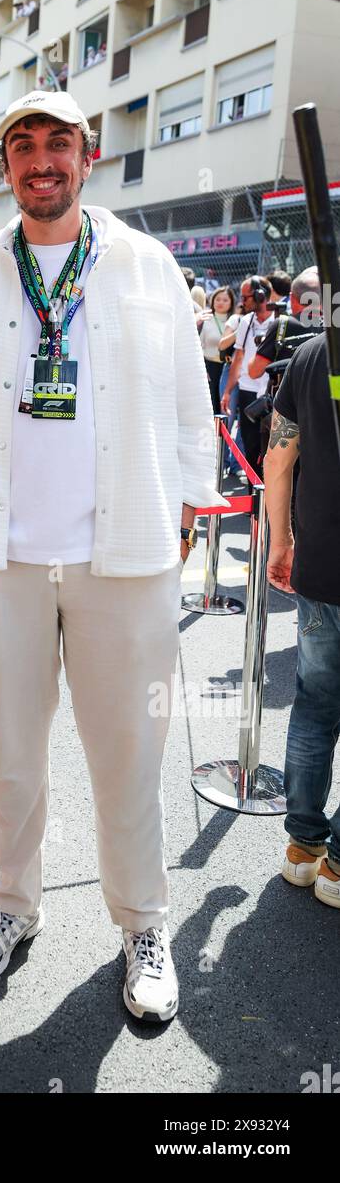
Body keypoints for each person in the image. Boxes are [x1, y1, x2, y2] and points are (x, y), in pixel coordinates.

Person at [0, 90, 222, 1019]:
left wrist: (191, 508)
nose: (40, 161)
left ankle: (143, 924)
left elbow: (186, 396)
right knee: (10, 752)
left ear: (89, 155)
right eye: (22, 146)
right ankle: (14, 904)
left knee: (128, 753)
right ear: (6, 165)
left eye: (58, 144)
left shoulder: (146, 265)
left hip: (122, 552)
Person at [264, 332, 340, 908]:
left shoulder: (313, 352)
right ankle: (335, 866)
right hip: (318, 569)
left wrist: (281, 540)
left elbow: (278, 456)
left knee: (314, 703)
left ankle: (303, 846)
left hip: (320, 569)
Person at [221, 275, 275, 474]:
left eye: (245, 297)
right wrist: (227, 391)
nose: (242, 302)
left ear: (261, 295)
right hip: (247, 391)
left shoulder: (280, 320)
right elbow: (238, 357)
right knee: (250, 445)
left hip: (272, 391)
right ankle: (254, 495)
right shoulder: (246, 321)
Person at [197, 285, 235, 415]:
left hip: (228, 367)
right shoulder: (206, 318)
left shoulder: (235, 320)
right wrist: (203, 368)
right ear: (212, 300)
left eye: (225, 300)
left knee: (225, 406)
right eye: (218, 299)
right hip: (209, 367)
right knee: (211, 404)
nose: (220, 303)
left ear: (231, 302)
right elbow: (199, 345)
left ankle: (223, 433)